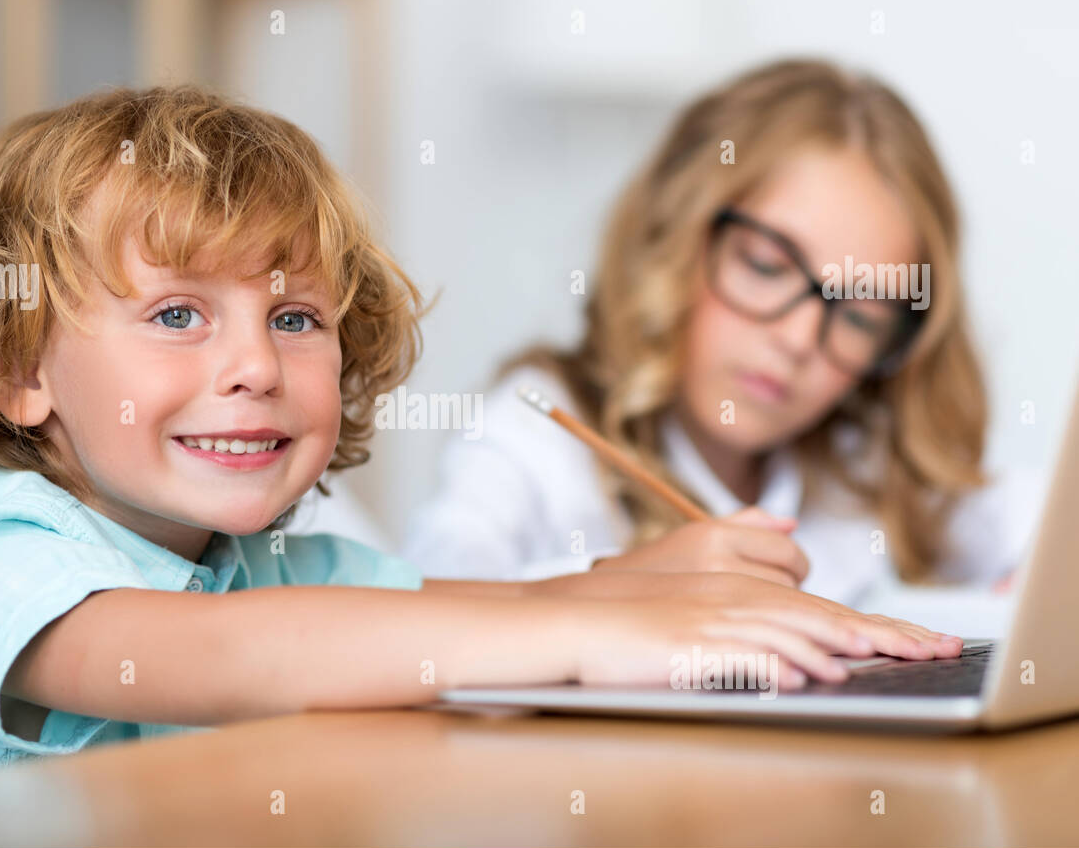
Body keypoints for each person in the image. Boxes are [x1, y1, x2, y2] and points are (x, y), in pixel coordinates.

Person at [0, 85, 960, 796]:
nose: (255, 366)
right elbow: (234, 658)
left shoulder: (272, 566)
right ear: (19, 370)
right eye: (178, 314)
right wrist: (596, 648)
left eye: (296, 320)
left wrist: (644, 586)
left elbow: (451, 610)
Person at [403, 59, 1040, 611]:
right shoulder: (539, 431)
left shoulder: (860, 466)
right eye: (766, 267)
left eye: (859, 314)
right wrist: (621, 587)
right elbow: (428, 604)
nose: (797, 339)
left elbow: (1039, 522)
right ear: (674, 235)